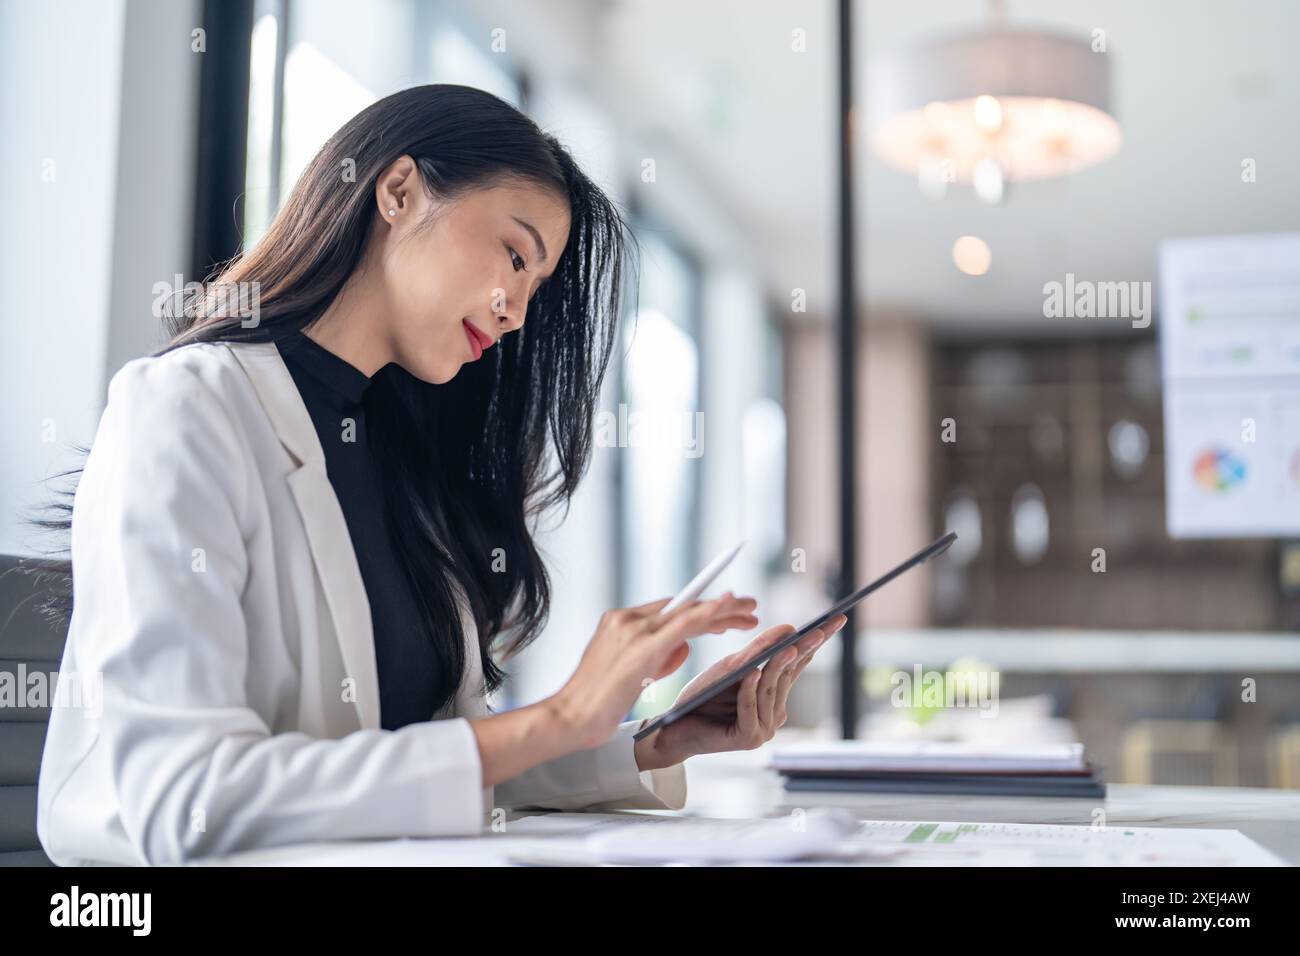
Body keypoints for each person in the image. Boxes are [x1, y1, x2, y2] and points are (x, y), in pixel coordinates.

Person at [34, 84, 843, 865]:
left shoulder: (407, 458)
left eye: (535, 286)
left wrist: (644, 741)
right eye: (515, 255)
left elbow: (413, 765)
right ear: (397, 191)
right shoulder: (187, 408)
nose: (518, 310)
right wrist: (560, 713)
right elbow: (185, 800)